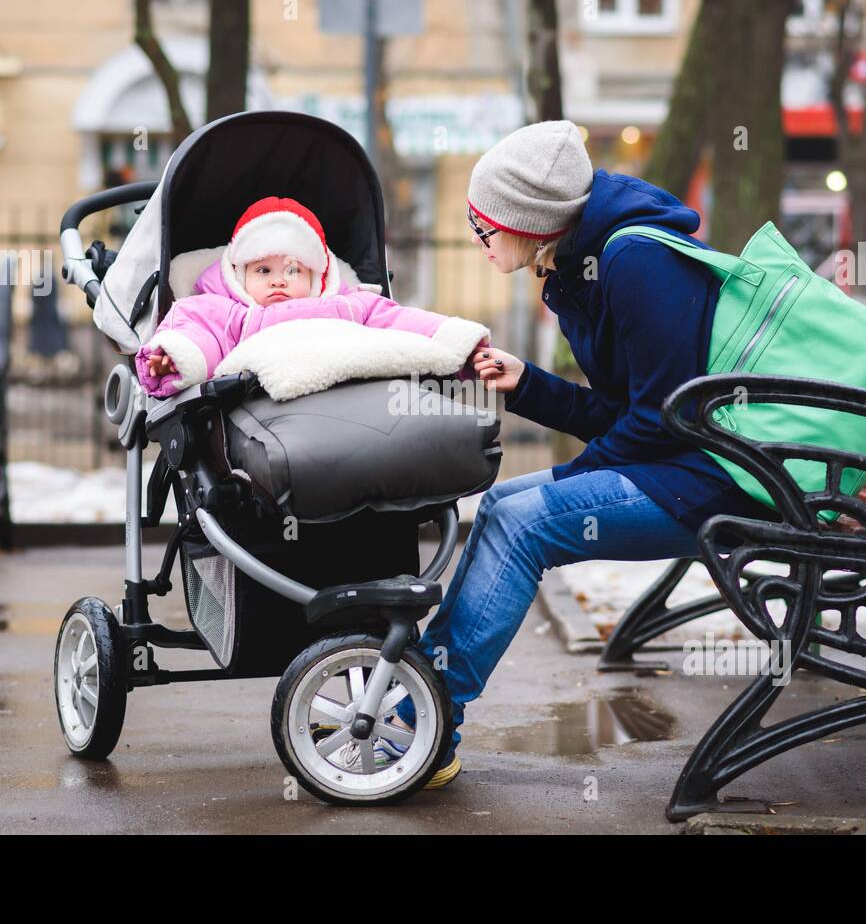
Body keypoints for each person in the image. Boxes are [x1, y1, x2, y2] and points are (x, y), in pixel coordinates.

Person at [388, 120, 776, 790]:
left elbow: (661, 420)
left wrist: (568, 481)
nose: (480, 241)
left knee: (524, 519)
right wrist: (528, 385)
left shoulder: (636, 260)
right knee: (506, 503)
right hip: (686, 465)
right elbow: (633, 415)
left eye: (485, 226)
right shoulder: (585, 264)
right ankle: (420, 709)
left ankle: (422, 719)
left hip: (724, 480)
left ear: (530, 220)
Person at [135, 195, 490, 396]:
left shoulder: (350, 306)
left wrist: (457, 341)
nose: (278, 282)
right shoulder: (228, 314)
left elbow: (402, 321)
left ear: (316, 276)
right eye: (262, 271)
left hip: (353, 395)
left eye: (292, 271)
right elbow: (197, 334)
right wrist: (176, 357)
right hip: (273, 408)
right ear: (238, 275)